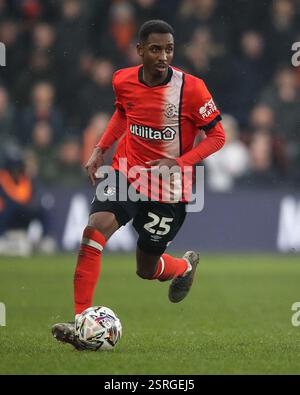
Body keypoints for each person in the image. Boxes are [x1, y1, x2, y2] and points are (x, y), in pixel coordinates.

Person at [52, 20, 226, 349]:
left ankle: (184, 266)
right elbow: (122, 112)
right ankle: (80, 321)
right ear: (140, 51)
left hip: (169, 188)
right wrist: (101, 148)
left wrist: (179, 162)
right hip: (127, 173)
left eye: (169, 49)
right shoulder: (123, 80)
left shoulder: (192, 89)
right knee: (95, 229)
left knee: (146, 269)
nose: (163, 56)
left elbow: (218, 136)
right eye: (156, 49)